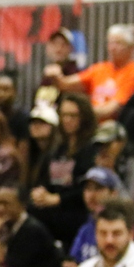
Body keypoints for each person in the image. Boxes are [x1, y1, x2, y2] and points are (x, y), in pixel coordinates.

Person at [30, 93, 97, 244]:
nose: (67, 120)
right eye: (64, 115)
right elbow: (45, 179)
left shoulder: (91, 149)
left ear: (84, 117)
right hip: (52, 205)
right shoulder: (58, 149)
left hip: (76, 209)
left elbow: (86, 186)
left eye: (73, 115)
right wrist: (39, 193)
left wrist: (58, 199)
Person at [46, 24, 134, 121]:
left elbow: (110, 110)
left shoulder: (133, 73)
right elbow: (64, 84)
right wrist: (55, 75)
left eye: (118, 43)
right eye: (111, 43)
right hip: (93, 123)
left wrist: (78, 114)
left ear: (130, 48)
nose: (113, 48)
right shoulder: (100, 68)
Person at [33, 28, 81, 108]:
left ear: (71, 48)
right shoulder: (46, 75)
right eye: (55, 44)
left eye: (63, 45)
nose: (58, 49)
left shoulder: (76, 75)